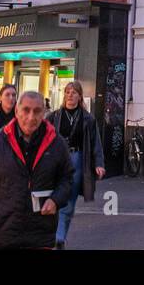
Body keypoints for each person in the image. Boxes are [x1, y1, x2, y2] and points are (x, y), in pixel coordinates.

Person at [0, 89, 73, 250]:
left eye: (37, 111)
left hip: (40, 235)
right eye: (26, 110)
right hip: (1, 235)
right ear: (17, 111)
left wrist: (56, 200)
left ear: (44, 113)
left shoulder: (57, 143)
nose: (31, 117)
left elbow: (67, 179)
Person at [46, 81, 106, 249]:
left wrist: (99, 164)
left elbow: (96, 143)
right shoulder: (54, 116)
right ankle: (54, 232)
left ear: (80, 96)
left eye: (74, 92)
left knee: (69, 201)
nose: (70, 95)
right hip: (56, 161)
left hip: (77, 159)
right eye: (67, 92)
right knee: (53, 196)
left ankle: (59, 237)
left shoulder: (88, 119)